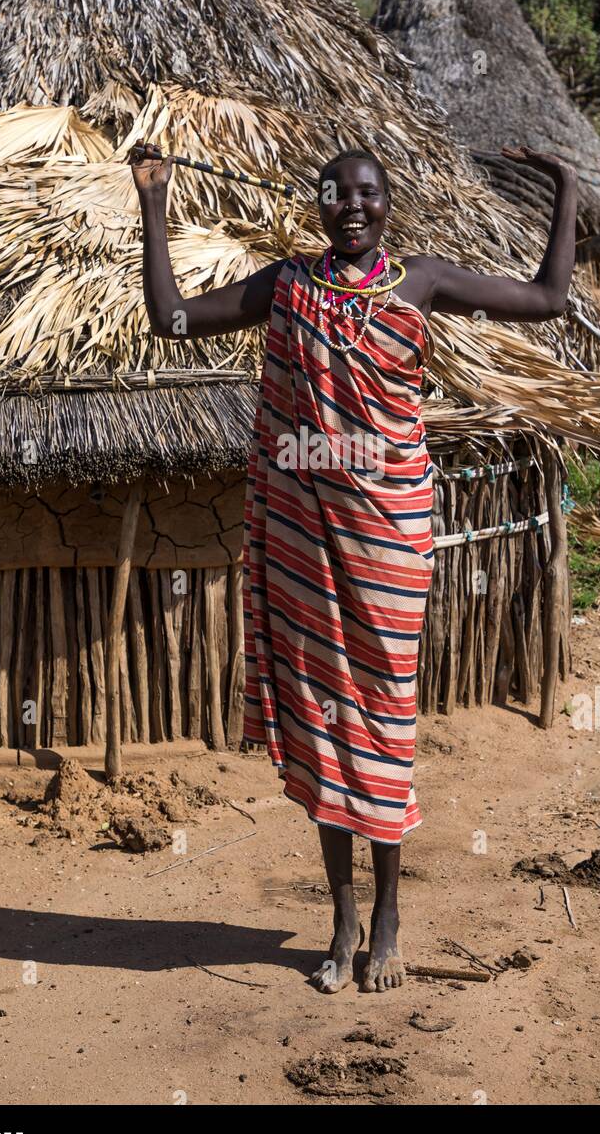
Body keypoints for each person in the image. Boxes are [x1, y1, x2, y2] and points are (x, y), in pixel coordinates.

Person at [129, 142, 576, 992]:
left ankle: (390, 922)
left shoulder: (424, 282)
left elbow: (546, 298)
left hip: (388, 535)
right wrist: (154, 204)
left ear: (388, 204)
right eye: (338, 194)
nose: (354, 207)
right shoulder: (286, 286)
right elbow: (170, 318)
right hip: (305, 538)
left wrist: (565, 189)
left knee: (380, 720)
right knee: (321, 725)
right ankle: (341, 925)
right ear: (319, 205)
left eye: (369, 194)